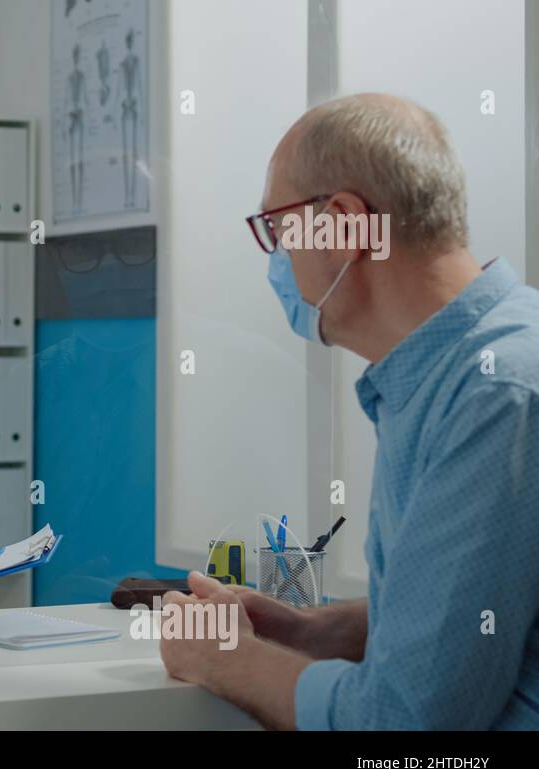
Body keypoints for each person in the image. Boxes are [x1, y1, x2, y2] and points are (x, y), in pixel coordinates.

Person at [160, 93, 539, 729]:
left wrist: (224, 660)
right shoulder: (451, 375)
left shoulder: (495, 396)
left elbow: (404, 731)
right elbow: (478, 610)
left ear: (342, 224)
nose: (277, 261)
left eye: (276, 231)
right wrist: (308, 630)